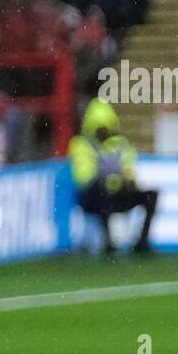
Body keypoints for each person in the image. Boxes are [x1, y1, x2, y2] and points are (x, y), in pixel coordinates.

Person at [68, 98, 158, 254]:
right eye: (100, 128)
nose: (103, 132)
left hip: (116, 194)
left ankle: (142, 242)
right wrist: (110, 180)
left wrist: (126, 181)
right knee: (101, 190)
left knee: (151, 195)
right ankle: (108, 242)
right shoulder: (81, 144)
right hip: (93, 197)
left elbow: (129, 170)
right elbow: (84, 178)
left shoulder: (120, 143)